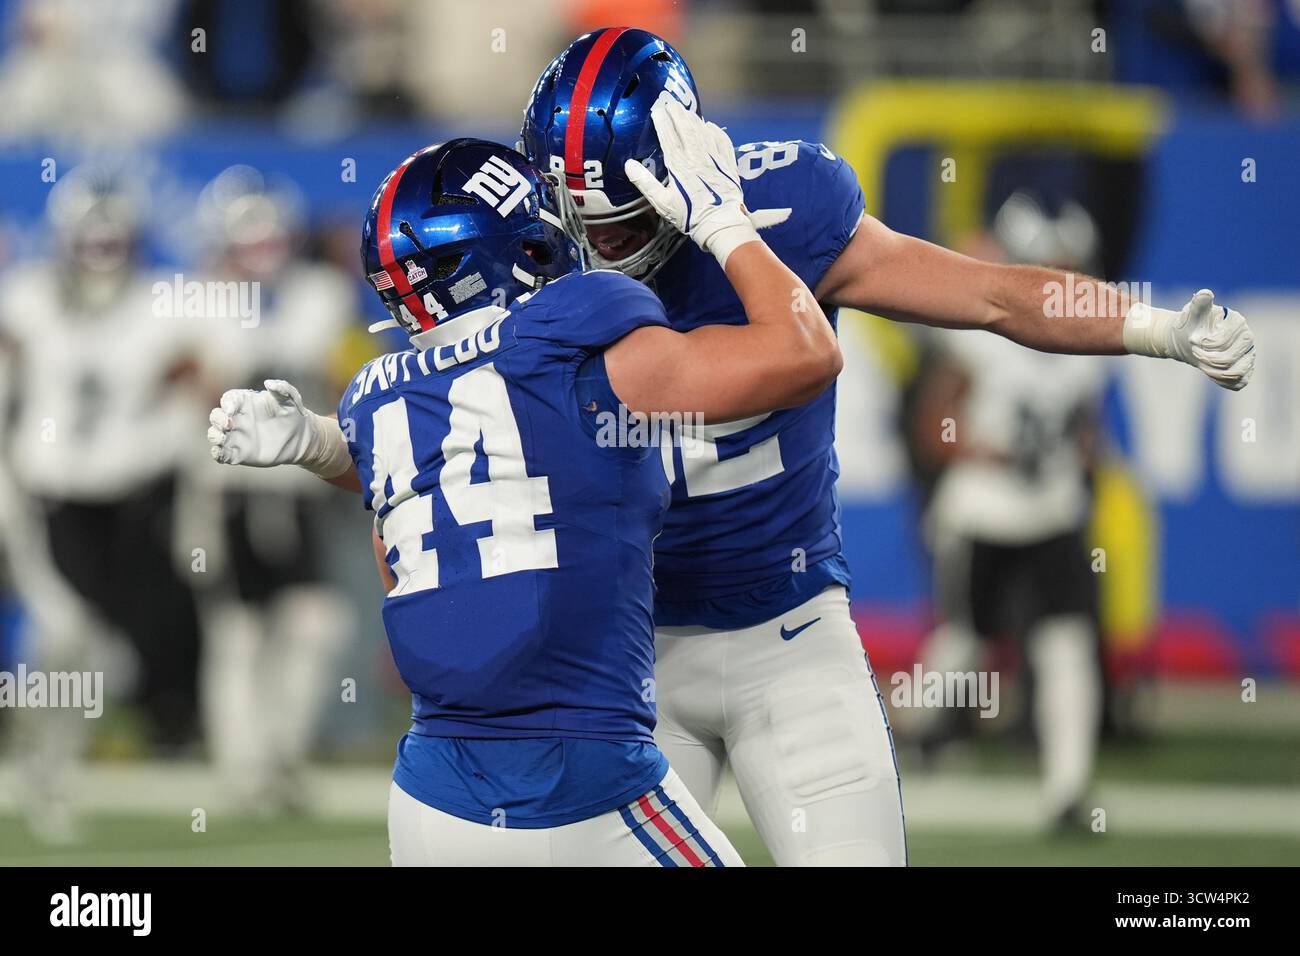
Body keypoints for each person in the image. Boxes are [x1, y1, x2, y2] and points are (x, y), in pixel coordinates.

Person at [513, 27, 1254, 866]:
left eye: (623, 221)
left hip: (787, 639)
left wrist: (1150, 328)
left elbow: (993, 297)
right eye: (584, 220)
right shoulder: (534, 260)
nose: (600, 243)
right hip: (628, 655)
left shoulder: (788, 209)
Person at [208, 106, 842, 865]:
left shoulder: (376, 397)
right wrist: (722, 221)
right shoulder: (572, 333)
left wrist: (316, 443)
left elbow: (423, 520)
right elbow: (806, 354)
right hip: (581, 778)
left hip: (428, 794)